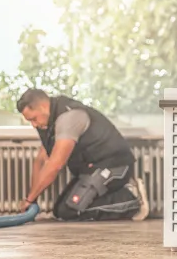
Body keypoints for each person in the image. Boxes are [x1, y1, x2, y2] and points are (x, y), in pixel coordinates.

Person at [16, 88, 150, 222]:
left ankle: (133, 199)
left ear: (43, 106)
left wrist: (29, 199)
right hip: (93, 169)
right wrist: (33, 200)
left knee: (70, 210)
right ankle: (121, 193)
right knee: (59, 210)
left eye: (33, 119)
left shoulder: (69, 118)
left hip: (114, 165)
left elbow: (55, 165)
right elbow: (41, 161)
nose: (33, 125)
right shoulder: (49, 123)